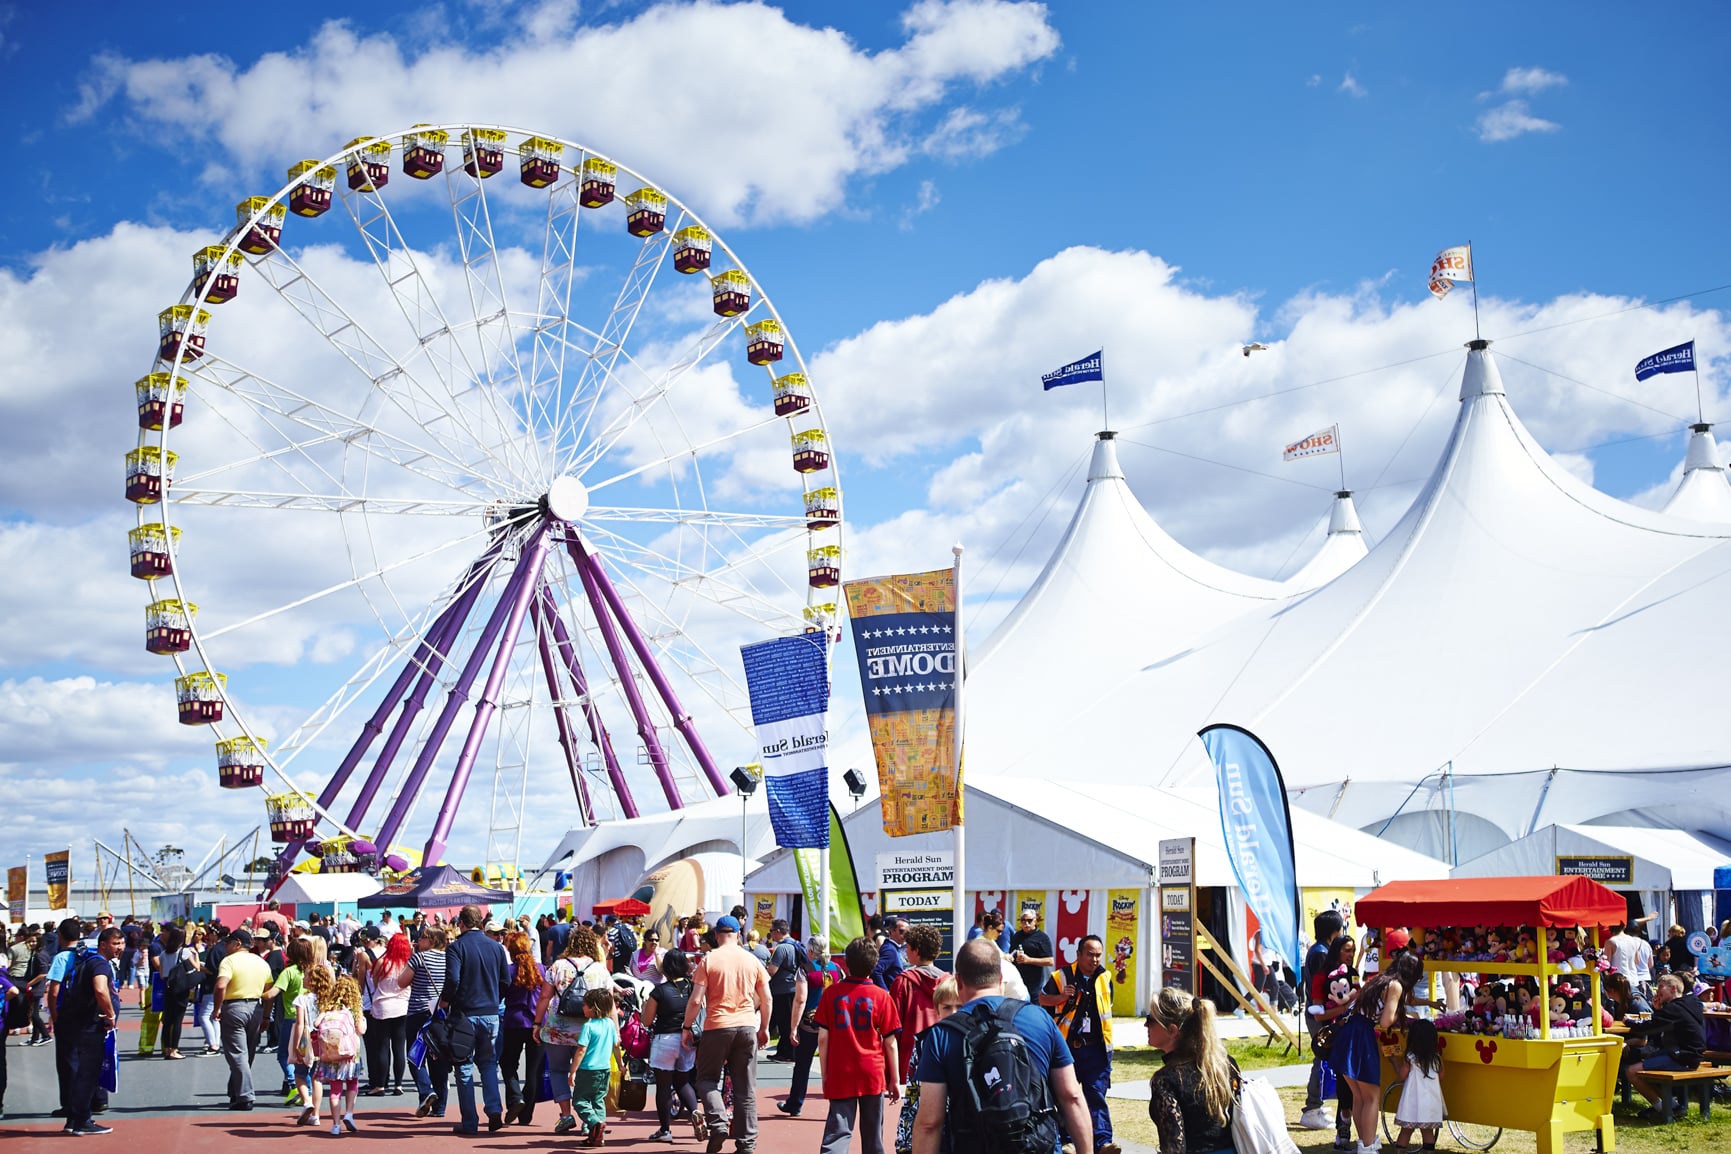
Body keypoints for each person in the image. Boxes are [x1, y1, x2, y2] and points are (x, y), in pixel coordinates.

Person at [912, 937, 1092, 1154]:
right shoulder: (1039, 1018)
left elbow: (930, 1122)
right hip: (1036, 1146)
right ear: (1000, 978)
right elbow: (1071, 1096)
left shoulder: (942, 1034)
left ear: (958, 982)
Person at [682, 914, 771, 1154]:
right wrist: (763, 1028)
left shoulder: (709, 960)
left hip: (717, 1026)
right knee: (746, 1088)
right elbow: (767, 998)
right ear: (738, 934)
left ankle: (719, 1121)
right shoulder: (752, 961)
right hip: (745, 1026)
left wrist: (687, 1027)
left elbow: (696, 1000)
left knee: (707, 1079)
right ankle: (747, 1143)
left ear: (717, 935)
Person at [815, 936, 902, 1154]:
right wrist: (895, 1079)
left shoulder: (831, 994)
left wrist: (825, 1073)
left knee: (838, 1131)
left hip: (841, 1068)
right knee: (873, 1134)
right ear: (874, 964)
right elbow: (890, 1042)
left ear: (846, 963)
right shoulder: (882, 997)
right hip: (872, 1071)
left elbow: (823, 1039)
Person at [1332, 951, 1423, 1154]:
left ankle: (1364, 1144)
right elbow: (1385, 1021)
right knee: (1372, 1098)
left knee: (1359, 1097)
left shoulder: (1380, 979)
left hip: (1347, 1034)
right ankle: (1368, 1146)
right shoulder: (1396, 985)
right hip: (1361, 1037)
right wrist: (1403, 1015)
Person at [1041, 934, 1118, 1154]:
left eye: (1098, 955)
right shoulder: (1061, 976)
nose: (1095, 960)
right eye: (1090, 955)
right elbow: (1042, 999)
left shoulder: (1105, 977)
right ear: (1079, 955)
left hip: (1097, 1048)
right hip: (1068, 1048)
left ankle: (1103, 1142)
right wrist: (1062, 997)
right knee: (1067, 1095)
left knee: (1096, 1094)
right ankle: (1068, 1142)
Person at [1143, 986, 1241, 1154]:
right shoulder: (1225, 1064)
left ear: (1172, 1030)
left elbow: (1174, 1148)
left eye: (1151, 1019)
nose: (1145, 1024)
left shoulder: (1166, 1079)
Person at [537, 926, 613, 1135]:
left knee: (558, 1071)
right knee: (587, 1072)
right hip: (590, 1031)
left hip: (558, 1030)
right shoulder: (600, 969)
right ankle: (590, 1121)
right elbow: (610, 1003)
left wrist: (537, 1023)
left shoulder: (558, 966)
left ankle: (566, 1115)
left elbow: (545, 996)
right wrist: (614, 1031)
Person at [442, 904, 510, 1135]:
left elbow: (452, 979)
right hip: (491, 1012)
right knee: (489, 1063)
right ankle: (493, 1109)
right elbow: (505, 982)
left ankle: (470, 1121)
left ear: (461, 923)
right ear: (481, 923)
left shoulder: (456, 947)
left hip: (465, 1014)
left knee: (464, 1066)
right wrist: (494, 998)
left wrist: (445, 1002)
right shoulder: (497, 948)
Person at [58, 925, 122, 1136]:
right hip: (89, 1025)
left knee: (79, 1073)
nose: (119, 947)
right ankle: (82, 1120)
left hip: (76, 1024)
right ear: (103, 944)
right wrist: (110, 1015)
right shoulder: (100, 965)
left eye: (121, 943)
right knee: (88, 1074)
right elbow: (100, 989)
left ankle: (73, 1119)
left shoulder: (87, 962)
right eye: (115, 943)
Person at [779, 935, 845, 1118]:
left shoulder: (805, 970)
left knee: (802, 1065)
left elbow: (800, 999)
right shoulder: (837, 970)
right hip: (832, 1024)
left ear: (810, 951)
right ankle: (837, 1105)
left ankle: (795, 1104)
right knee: (833, 1065)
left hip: (809, 1024)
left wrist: (793, 1028)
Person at [895, 976, 961, 1154]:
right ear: (937, 1010)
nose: (953, 1013)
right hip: (933, 1127)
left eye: (959, 1006)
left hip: (965, 1130)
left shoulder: (974, 1040)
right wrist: (904, 1140)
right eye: (947, 1007)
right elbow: (912, 1094)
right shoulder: (925, 1042)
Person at [1624, 973, 1706, 1115]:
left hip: (1683, 1058)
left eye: (1661, 987)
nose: (1657, 991)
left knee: (1631, 1071)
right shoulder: (1690, 1002)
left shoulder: (1673, 1009)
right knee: (1643, 1061)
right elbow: (1658, 1028)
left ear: (1673, 988)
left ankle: (1662, 1109)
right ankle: (1673, 1106)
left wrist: (1628, 1022)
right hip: (1690, 1055)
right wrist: (1658, 1010)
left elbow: (1647, 1028)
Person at [643, 947, 700, 1142]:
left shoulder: (659, 991)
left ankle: (665, 1130)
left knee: (664, 1086)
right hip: (688, 1038)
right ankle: (695, 1112)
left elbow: (647, 1021)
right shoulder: (693, 987)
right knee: (683, 1081)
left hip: (665, 1039)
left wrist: (644, 1006)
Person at [214, 927, 273, 1110]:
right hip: (255, 1007)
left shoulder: (229, 961)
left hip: (234, 1007)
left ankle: (245, 1096)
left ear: (237, 944)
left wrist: (217, 1008)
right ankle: (236, 1092)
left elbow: (221, 985)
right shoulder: (261, 962)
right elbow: (269, 992)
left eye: (229, 943)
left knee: (237, 1053)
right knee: (247, 1052)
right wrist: (265, 1015)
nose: (226, 946)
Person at [1299, 908, 1347, 1131]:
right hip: (1320, 1014)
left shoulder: (1320, 949)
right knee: (1322, 1057)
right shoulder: (1320, 953)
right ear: (1333, 932)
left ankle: (1316, 1104)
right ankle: (1311, 1108)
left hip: (1319, 1012)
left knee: (1324, 1058)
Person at [310, 973, 367, 1135]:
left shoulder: (328, 1009)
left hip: (331, 1054)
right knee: (352, 1084)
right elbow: (361, 1030)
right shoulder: (354, 1010)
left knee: (335, 1089)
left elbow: (315, 1024)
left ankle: (335, 1125)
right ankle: (349, 1113)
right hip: (350, 1054)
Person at [889, 925, 946, 1088]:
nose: (905, 951)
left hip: (911, 1063)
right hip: (942, 1059)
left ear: (916, 950)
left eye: (907, 947)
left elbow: (894, 1027)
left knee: (911, 1110)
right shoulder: (948, 982)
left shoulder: (903, 982)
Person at [500, 930, 545, 1126]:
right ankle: (526, 1114)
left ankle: (515, 1097)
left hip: (514, 1021)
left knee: (508, 1063)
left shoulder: (509, 970)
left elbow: (500, 994)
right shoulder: (541, 969)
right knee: (533, 1071)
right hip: (537, 1022)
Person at [408, 925, 451, 1118]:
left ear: (432, 940)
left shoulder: (418, 958)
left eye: (423, 937)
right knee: (438, 1057)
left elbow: (401, 981)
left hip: (418, 1010)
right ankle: (439, 1106)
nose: (419, 940)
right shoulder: (449, 958)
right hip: (440, 1011)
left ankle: (426, 1090)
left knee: (415, 1054)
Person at [363, 929, 412, 1096]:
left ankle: (380, 1085)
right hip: (402, 1006)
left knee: (382, 1047)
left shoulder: (381, 962)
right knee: (399, 1047)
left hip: (382, 1006)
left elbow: (375, 983)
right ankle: (398, 1085)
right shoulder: (408, 963)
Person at [569, 986, 621, 1146]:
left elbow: (581, 1050)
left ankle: (594, 1124)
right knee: (598, 1100)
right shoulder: (610, 1024)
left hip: (588, 1070)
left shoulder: (588, 1026)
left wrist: (573, 1071)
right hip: (604, 1069)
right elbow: (616, 1046)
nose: (582, 1008)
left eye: (585, 1005)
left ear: (593, 1008)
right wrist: (620, 1065)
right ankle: (599, 1135)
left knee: (579, 1100)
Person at [1391, 1018, 1443, 1154]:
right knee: (1428, 1132)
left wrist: (1394, 1063)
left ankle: (1400, 1151)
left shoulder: (1410, 1058)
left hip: (1412, 1101)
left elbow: (1402, 1076)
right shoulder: (1436, 1058)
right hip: (1431, 1101)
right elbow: (1441, 1076)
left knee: (1406, 1131)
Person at [765, 919, 803, 1060]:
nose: (771, 935)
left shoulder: (781, 948)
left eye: (771, 931)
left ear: (778, 931)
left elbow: (771, 970)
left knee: (784, 1023)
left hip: (782, 990)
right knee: (790, 1022)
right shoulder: (795, 944)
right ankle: (785, 1051)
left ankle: (787, 1053)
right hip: (793, 988)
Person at [1009, 908, 1056, 999]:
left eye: (1029, 921)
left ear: (1035, 921)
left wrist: (1029, 960)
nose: (1026, 924)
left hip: (1034, 984)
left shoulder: (1042, 937)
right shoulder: (1016, 936)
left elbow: (1050, 961)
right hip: (1018, 980)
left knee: (1033, 1008)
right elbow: (1012, 953)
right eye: (1023, 921)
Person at [873, 918, 910, 989]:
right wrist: (886, 992)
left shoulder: (895, 947)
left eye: (907, 933)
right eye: (902, 931)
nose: (905, 935)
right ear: (892, 931)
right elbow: (876, 971)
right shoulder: (889, 949)